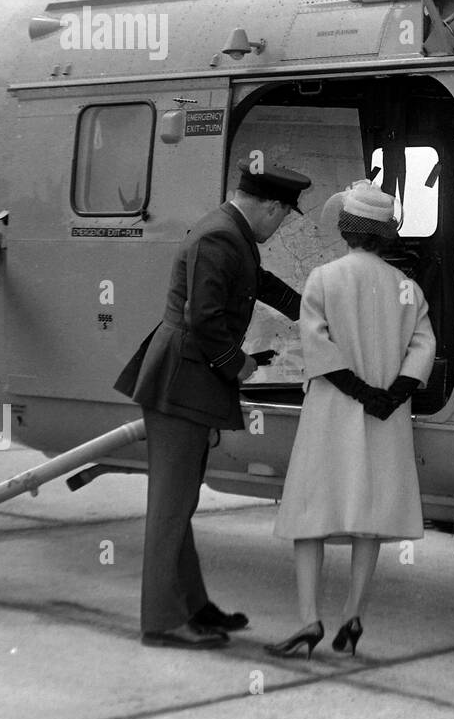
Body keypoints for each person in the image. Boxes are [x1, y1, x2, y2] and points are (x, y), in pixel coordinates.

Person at [114, 159, 311, 649]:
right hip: (182, 380)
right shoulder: (219, 236)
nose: (280, 226)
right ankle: (162, 621)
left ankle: (193, 607)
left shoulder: (232, 234)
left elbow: (256, 283)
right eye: (283, 216)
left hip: (188, 379)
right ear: (268, 205)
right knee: (170, 507)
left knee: (179, 503)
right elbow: (202, 319)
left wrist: (310, 307)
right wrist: (237, 363)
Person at [267, 181, 435, 659]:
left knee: (308, 515)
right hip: (386, 414)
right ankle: (354, 614)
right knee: (370, 517)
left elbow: (317, 342)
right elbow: (423, 346)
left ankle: (308, 619)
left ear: (345, 229)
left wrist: (359, 392)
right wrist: (391, 394)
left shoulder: (324, 278)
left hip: (332, 411)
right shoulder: (408, 288)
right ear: (386, 235)